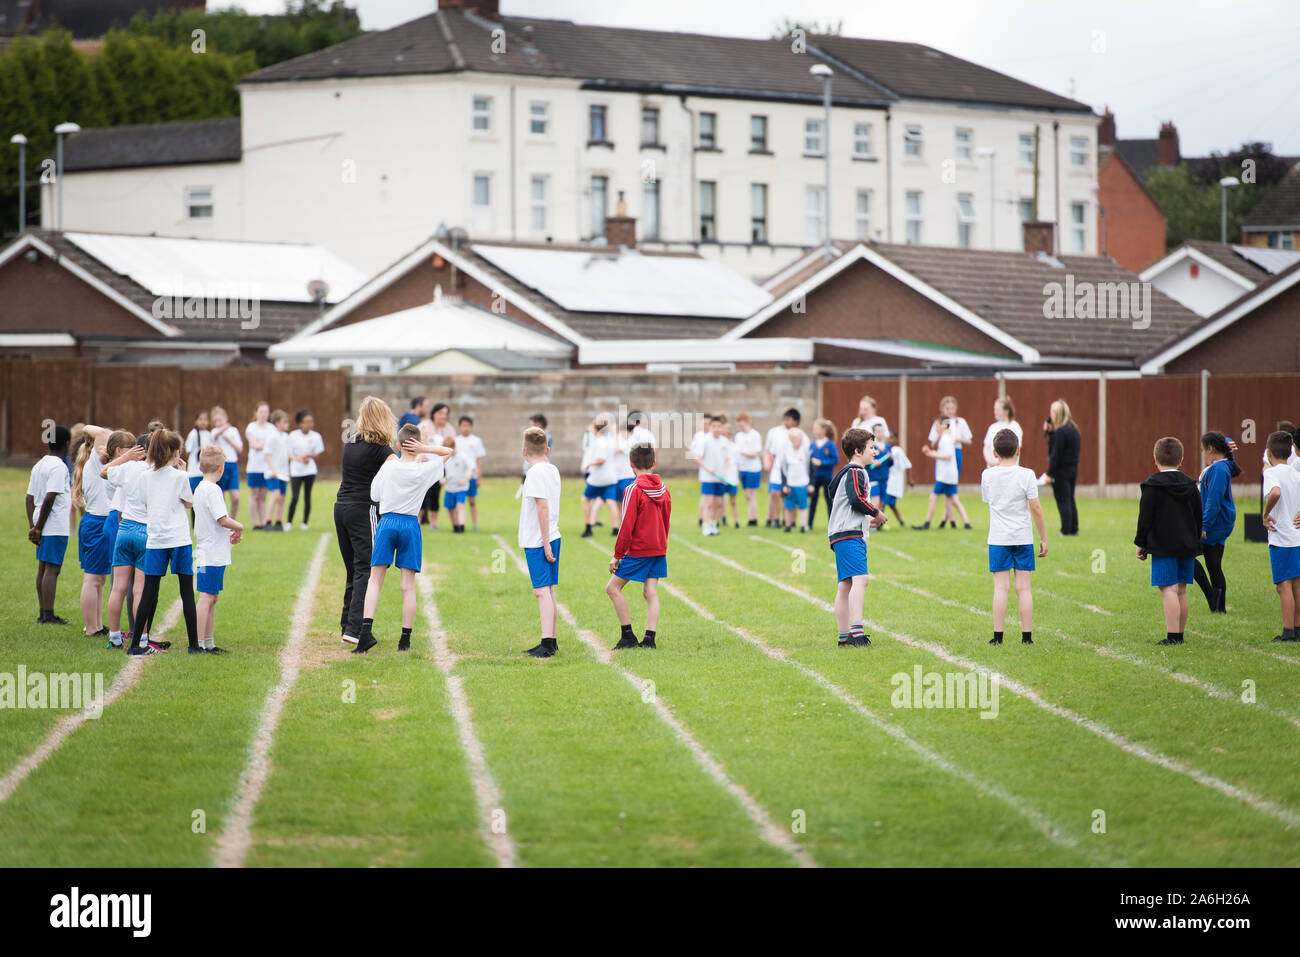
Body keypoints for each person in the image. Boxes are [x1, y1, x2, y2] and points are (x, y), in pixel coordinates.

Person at [354, 424, 453, 654]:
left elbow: (374, 494)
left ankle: (366, 632)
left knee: (375, 580)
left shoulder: (389, 467)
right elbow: (449, 452)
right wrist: (425, 448)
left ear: (398, 446)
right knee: (408, 586)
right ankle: (404, 640)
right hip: (410, 524)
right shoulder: (424, 470)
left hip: (387, 522)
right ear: (417, 446)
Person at [335, 396, 398, 647]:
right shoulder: (381, 448)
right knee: (368, 569)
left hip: (341, 508)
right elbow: (399, 472)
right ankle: (355, 629)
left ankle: (346, 624)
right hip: (364, 509)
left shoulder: (351, 442)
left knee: (353, 569)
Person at [132, 429, 200, 656]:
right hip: (179, 538)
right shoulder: (180, 476)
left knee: (149, 592)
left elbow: (144, 502)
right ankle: (193, 645)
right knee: (186, 592)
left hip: (156, 538)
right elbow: (189, 503)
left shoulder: (145, 476)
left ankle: (135, 645)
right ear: (175, 452)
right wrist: (183, 472)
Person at [981, 429, 1048, 645]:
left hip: (999, 539)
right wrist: (1043, 537)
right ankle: (1026, 637)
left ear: (994, 453)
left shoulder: (988, 475)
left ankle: (998, 637)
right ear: (1018, 450)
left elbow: (988, 500)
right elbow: (1035, 507)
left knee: (1001, 587)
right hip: (1023, 537)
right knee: (1024, 588)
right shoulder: (1027, 474)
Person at [1134, 437, 1202, 647]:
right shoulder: (1191, 485)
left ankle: (1173, 637)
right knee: (1181, 589)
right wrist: (1195, 537)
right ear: (1181, 460)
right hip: (1187, 544)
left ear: (1155, 459)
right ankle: (1179, 634)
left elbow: (1145, 518)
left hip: (1164, 546)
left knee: (1169, 590)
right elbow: (1198, 515)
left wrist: (1141, 542)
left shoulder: (1152, 486)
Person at [607, 443, 671, 650]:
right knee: (650, 592)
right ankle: (649, 639)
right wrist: (662, 544)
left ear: (631, 464)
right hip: (659, 549)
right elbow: (666, 521)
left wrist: (617, 555)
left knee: (612, 588)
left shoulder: (632, 490)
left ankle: (628, 636)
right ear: (654, 462)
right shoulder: (664, 489)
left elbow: (626, 525)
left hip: (639, 550)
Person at [826, 428, 886, 647]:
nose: (875, 451)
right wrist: (876, 512)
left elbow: (843, 500)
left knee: (845, 585)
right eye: (871, 447)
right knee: (861, 579)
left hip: (842, 533)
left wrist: (863, 519)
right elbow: (856, 499)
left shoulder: (847, 472)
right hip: (848, 534)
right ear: (858, 451)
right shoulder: (856, 471)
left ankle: (844, 637)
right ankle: (856, 633)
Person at [193, 445, 244, 654]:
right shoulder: (212, 490)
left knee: (211, 596)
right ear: (222, 468)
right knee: (206, 597)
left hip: (211, 550)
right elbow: (222, 520)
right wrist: (240, 527)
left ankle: (208, 642)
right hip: (210, 552)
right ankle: (198, 643)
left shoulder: (200, 487)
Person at [520, 425, 563, 658]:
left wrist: (544, 543)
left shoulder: (535, 473)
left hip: (540, 539)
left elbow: (542, 506)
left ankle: (547, 643)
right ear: (547, 449)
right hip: (552, 535)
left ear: (523, 452)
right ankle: (551, 640)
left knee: (541, 592)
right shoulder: (552, 469)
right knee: (548, 590)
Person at [26, 425, 72, 625]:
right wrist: (39, 527)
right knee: (52, 568)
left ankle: (43, 613)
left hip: (40, 520)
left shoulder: (39, 464)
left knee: (43, 567)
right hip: (53, 523)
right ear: (67, 444)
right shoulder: (59, 466)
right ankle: (48, 614)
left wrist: (33, 525)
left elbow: (29, 498)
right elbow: (50, 497)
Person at [101, 430, 143, 649]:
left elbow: (105, 472)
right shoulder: (139, 468)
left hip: (124, 523)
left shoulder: (125, 467)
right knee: (132, 586)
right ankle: (138, 637)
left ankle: (118, 635)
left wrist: (127, 458)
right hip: (132, 524)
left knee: (122, 585)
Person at [71, 425, 114, 637]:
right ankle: (91, 628)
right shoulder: (96, 460)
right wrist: (89, 430)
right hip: (97, 522)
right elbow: (99, 432)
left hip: (97, 521)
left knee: (99, 579)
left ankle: (96, 625)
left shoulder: (99, 462)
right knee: (92, 578)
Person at [1193, 431, 1239, 614]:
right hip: (1219, 522)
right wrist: (1227, 442)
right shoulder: (1220, 466)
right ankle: (1219, 609)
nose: (1202, 454)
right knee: (1213, 565)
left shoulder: (1219, 469)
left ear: (1211, 449)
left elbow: (1213, 500)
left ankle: (1212, 596)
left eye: (1203, 450)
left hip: (1215, 523)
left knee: (1186, 556)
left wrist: (1204, 526)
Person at [1263, 430, 1300, 642]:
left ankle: (1287, 631)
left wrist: (1265, 513)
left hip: (1281, 536)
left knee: (1283, 585)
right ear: (1290, 452)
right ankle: (1297, 627)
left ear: (1268, 452)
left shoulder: (1271, 473)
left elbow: (1275, 492)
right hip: (1297, 536)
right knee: (1297, 583)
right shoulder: (1296, 472)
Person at [915, 417, 970, 529]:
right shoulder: (946, 438)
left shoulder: (946, 439)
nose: (935, 428)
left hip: (946, 476)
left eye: (937, 425)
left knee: (933, 497)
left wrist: (932, 454)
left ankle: (927, 523)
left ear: (944, 426)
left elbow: (947, 456)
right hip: (950, 475)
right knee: (952, 499)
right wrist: (931, 452)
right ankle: (964, 523)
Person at [929, 396, 973, 526]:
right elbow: (933, 442)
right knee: (945, 482)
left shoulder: (961, 422)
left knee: (951, 485)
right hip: (942, 452)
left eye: (952, 408)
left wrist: (957, 439)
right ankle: (949, 518)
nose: (950, 411)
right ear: (942, 409)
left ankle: (947, 518)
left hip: (955, 452)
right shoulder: (940, 422)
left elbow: (969, 440)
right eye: (947, 408)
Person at [764, 409, 808, 527]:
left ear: (795, 421)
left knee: (790, 496)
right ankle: (775, 519)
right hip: (778, 468)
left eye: (788, 419)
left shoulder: (802, 435)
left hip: (794, 471)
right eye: (785, 419)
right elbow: (770, 450)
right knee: (775, 493)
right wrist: (768, 463)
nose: (785, 422)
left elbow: (806, 455)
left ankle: (790, 521)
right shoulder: (775, 432)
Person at [1044, 399, 1081, 536]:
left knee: (1063, 500)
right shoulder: (1074, 430)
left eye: (1052, 412)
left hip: (1061, 471)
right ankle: (1073, 528)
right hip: (1072, 469)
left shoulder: (1060, 432)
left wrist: (1049, 474)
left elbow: (1055, 455)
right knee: (1070, 499)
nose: (1051, 415)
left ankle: (1065, 530)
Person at [582, 415, 621, 538]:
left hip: (598, 479)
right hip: (611, 477)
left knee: (585, 499)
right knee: (611, 501)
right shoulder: (609, 440)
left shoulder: (600, 442)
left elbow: (601, 459)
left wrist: (589, 464)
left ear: (595, 429)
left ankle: (588, 527)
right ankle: (616, 528)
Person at [420, 402, 455, 530]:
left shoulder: (449, 429)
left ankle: (433, 521)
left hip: (440, 465)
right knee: (423, 493)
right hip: (425, 464)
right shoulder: (424, 425)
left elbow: (452, 448)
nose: (443, 416)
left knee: (436, 494)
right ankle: (419, 518)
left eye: (445, 414)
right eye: (441, 413)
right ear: (434, 414)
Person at [287, 409, 324, 530]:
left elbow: (317, 454)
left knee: (307, 496)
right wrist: (298, 458)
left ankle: (305, 523)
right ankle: (289, 522)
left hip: (310, 470)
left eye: (311, 422)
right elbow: (289, 453)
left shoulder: (316, 436)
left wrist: (308, 455)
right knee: (295, 496)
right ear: (300, 423)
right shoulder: (293, 435)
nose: (309, 424)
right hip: (296, 470)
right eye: (306, 422)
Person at [695, 414, 732, 536]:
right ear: (710, 427)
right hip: (707, 477)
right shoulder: (704, 440)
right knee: (708, 502)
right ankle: (705, 525)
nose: (716, 428)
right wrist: (709, 469)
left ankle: (713, 524)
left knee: (718, 502)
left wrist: (725, 472)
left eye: (719, 426)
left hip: (720, 478)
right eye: (714, 426)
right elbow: (698, 458)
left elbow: (728, 459)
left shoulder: (725, 441)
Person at [244, 402, 274, 531]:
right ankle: (255, 523)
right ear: (256, 413)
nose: (263, 415)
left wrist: (263, 444)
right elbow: (254, 445)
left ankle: (263, 522)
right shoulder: (251, 427)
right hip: (254, 466)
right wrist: (265, 444)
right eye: (261, 412)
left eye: (266, 412)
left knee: (263, 495)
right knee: (255, 494)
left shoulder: (271, 428)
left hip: (266, 466)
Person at [209, 406, 242, 519]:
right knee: (220, 496)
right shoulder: (214, 432)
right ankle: (223, 519)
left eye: (220, 420)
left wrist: (229, 440)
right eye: (215, 421)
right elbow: (214, 436)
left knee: (235, 497)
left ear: (226, 418)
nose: (218, 423)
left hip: (232, 465)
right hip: (219, 465)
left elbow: (240, 449)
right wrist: (223, 429)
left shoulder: (233, 431)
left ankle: (232, 519)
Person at [261, 410, 291, 531]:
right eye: (284, 422)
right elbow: (267, 454)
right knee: (275, 495)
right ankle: (268, 522)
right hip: (273, 472)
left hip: (283, 473)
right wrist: (273, 470)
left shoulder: (285, 436)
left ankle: (278, 521)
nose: (287, 424)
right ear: (277, 423)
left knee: (282, 497)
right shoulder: (272, 436)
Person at [778, 427, 812, 533]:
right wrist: (784, 484)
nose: (800, 441)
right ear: (792, 440)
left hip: (802, 483)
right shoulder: (787, 452)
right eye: (797, 439)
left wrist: (811, 484)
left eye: (801, 439)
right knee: (788, 506)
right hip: (790, 484)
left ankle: (802, 526)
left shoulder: (806, 451)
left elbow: (811, 469)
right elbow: (783, 469)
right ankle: (788, 525)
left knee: (803, 506)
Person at [456, 415, 486, 531]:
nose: (466, 428)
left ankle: (474, 524)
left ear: (471, 427)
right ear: (459, 427)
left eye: (468, 426)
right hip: (460, 476)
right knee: (459, 502)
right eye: (463, 425)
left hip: (472, 476)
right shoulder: (456, 440)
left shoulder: (476, 441)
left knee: (472, 501)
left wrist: (479, 477)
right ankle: (459, 523)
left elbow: (479, 460)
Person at [808, 418, 839, 530]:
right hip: (814, 478)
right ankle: (809, 524)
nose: (814, 431)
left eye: (816, 429)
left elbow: (835, 460)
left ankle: (832, 525)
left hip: (827, 477)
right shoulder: (812, 445)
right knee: (813, 501)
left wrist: (821, 463)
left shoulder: (830, 444)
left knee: (829, 501)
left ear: (824, 430)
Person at [733, 413, 764, 526]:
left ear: (748, 423)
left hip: (753, 468)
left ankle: (753, 518)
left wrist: (744, 453)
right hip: (743, 468)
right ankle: (750, 515)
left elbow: (756, 452)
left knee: (752, 494)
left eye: (742, 425)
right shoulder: (738, 436)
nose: (741, 428)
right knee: (747, 494)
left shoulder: (755, 435)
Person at [442, 435, 473, 533]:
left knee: (460, 506)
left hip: (461, 487)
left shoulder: (463, 457)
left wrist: (465, 479)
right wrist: (443, 479)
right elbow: (442, 472)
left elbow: (472, 469)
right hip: (450, 488)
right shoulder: (445, 459)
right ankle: (455, 526)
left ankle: (461, 527)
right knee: (450, 508)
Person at [982, 396, 1024, 468]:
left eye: (998, 409)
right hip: (993, 469)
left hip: (1010, 469)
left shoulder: (1014, 426)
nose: (995, 412)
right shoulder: (992, 427)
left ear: (1006, 411)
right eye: (995, 409)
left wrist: (1004, 463)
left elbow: (1016, 448)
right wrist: (992, 462)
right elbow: (986, 447)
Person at [883, 430, 911, 526]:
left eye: (891, 437)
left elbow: (907, 465)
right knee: (891, 504)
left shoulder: (897, 451)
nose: (888, 439)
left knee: (883, 502)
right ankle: (901, 522)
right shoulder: (885, 449)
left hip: (894, 482)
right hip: (887, 481)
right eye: (887, 437)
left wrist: (909, 479)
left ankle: (878, 524)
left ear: (895, 439)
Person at [184, 410, 212, 493]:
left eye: (205, 419)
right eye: (200, 419)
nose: (203, 422)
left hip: (205, 471)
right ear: (196, 421)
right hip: (194, 470)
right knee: (194, 494)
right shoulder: (193, 434)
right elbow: (188, 451)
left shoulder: (209, 434)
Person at [522, 413, 553, 482]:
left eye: (531, 425)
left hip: (536, 469)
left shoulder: (543, 437)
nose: (530, 428)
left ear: (538, 425)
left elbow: (534, 453)